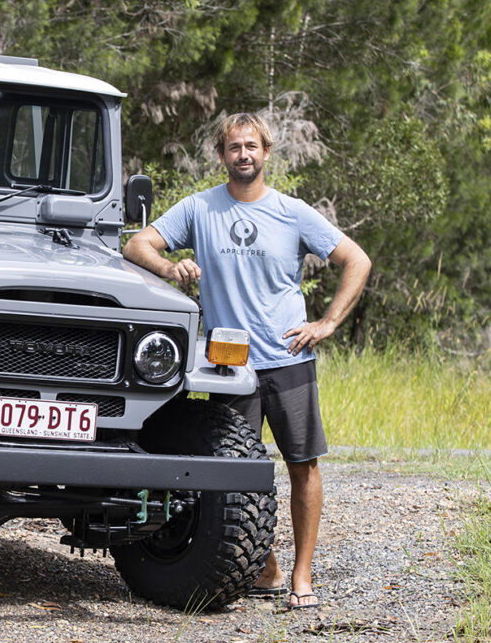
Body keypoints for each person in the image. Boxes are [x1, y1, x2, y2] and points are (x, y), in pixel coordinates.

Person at [123, 113, 371, 611]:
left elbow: (357, 260)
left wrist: (325, 325)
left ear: (266, 152)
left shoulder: (292, 212)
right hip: (227, 367)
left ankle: (301, 576)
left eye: (252, 146)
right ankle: (265, 564)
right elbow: (135, 244)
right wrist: (171, 267)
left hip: (287, 357)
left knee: (302, 465)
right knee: (232, 472)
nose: (244, 155)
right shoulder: (199, 208)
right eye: (234, 147)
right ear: (222, 155)